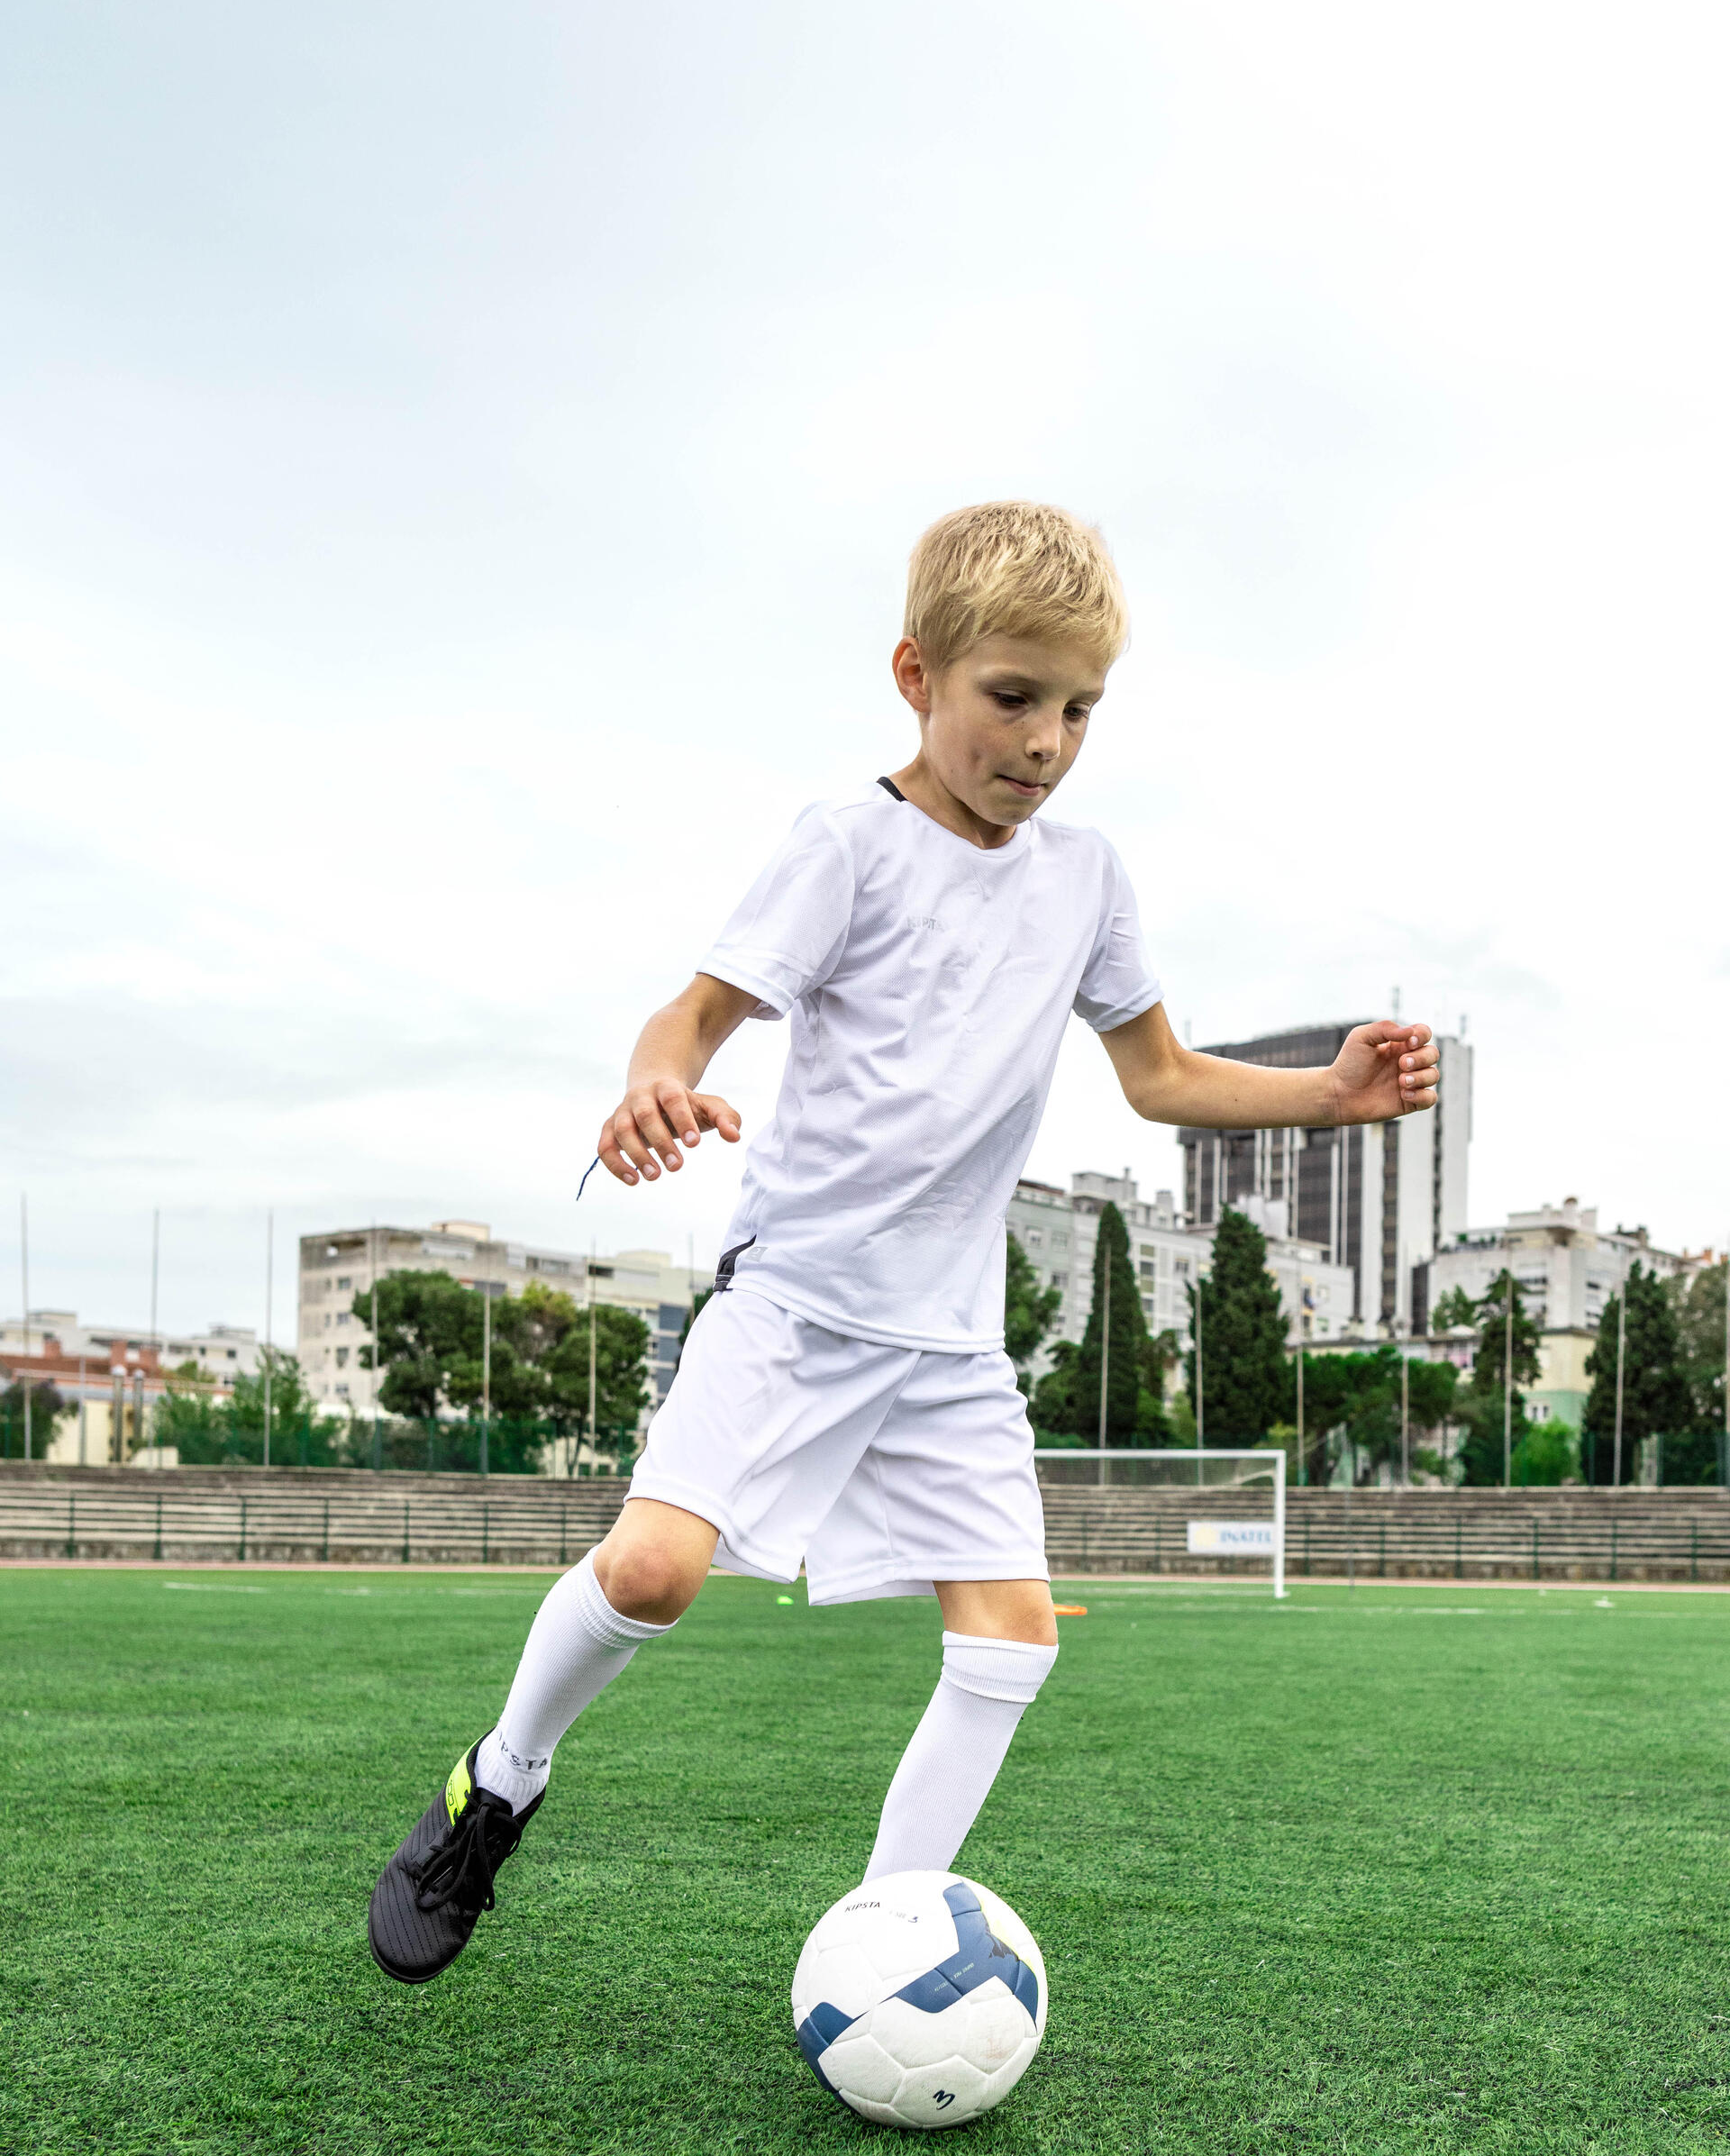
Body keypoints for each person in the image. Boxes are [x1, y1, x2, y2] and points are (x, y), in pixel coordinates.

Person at [367, 501, 1437, 1983]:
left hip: (947, 1343)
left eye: (1080, 710)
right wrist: (654, 1083)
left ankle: (879, 1946)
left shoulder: (1090, 878)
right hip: (795, 1301)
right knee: (653, 1576)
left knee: (1012, 1640)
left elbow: (1159, 1075)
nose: (1047, 741)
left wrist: (1328, 1093)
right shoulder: (845, 848)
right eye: (1012, 698)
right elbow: (695, 1014)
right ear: (915, 676)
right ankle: (499, 1782)